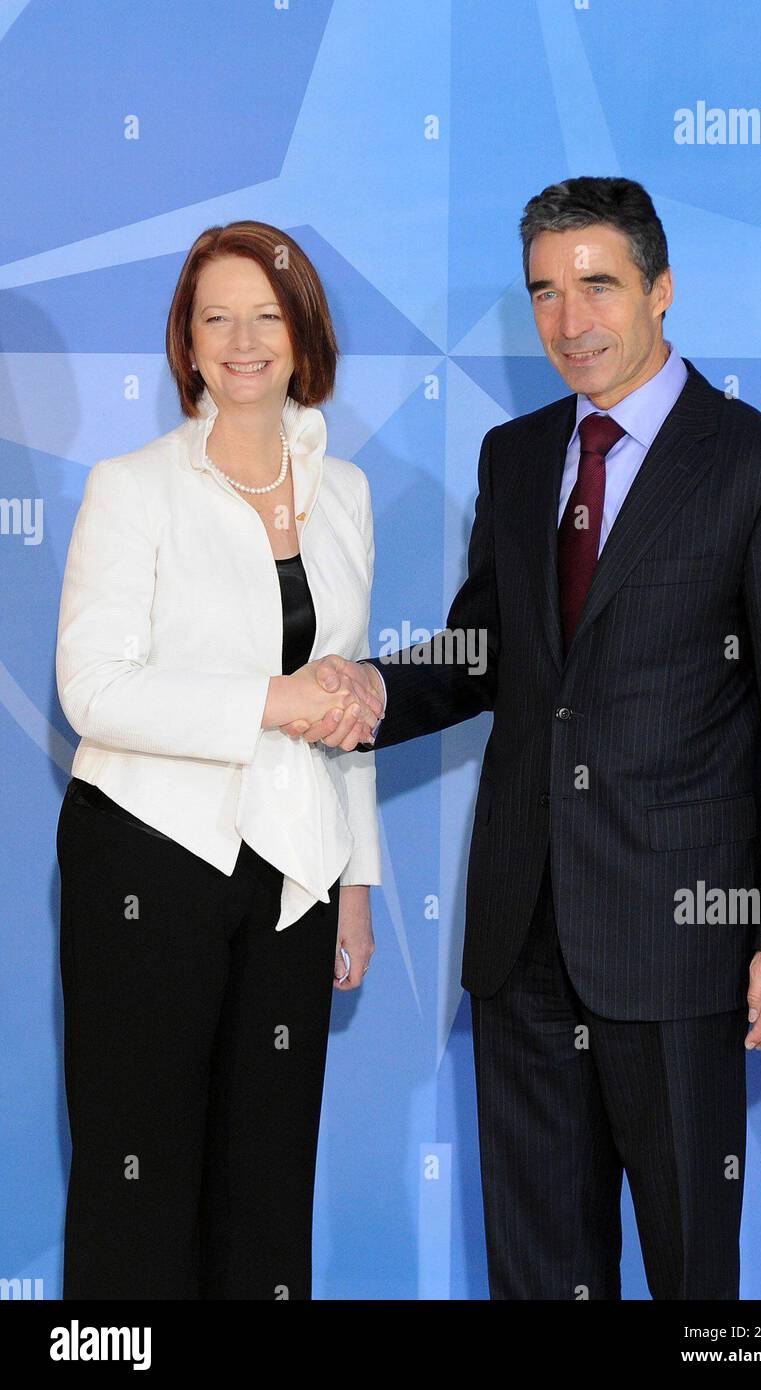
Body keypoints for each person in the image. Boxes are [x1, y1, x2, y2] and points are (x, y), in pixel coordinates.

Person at [296, 178, 761, 1299]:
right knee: (538, 1271)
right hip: (521, 941)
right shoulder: (513, 456)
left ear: (659, 289)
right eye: (544, 292)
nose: (568, 320)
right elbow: (487, 653)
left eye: (596, 284)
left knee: (693, 1267)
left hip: (680, 944)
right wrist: (359, 688)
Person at [55, 220, 383, 1300]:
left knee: (268, 1173)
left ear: (302, 334)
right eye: (216, 318)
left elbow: (351, 702)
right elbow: (92, 687)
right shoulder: (132, 482)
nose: (244, 339)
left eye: (266, 314)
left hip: (292, 870)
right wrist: (268, 701)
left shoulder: (344, 494)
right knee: (135, 1173)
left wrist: (355, 881)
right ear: (186, 345)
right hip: (146, 855)